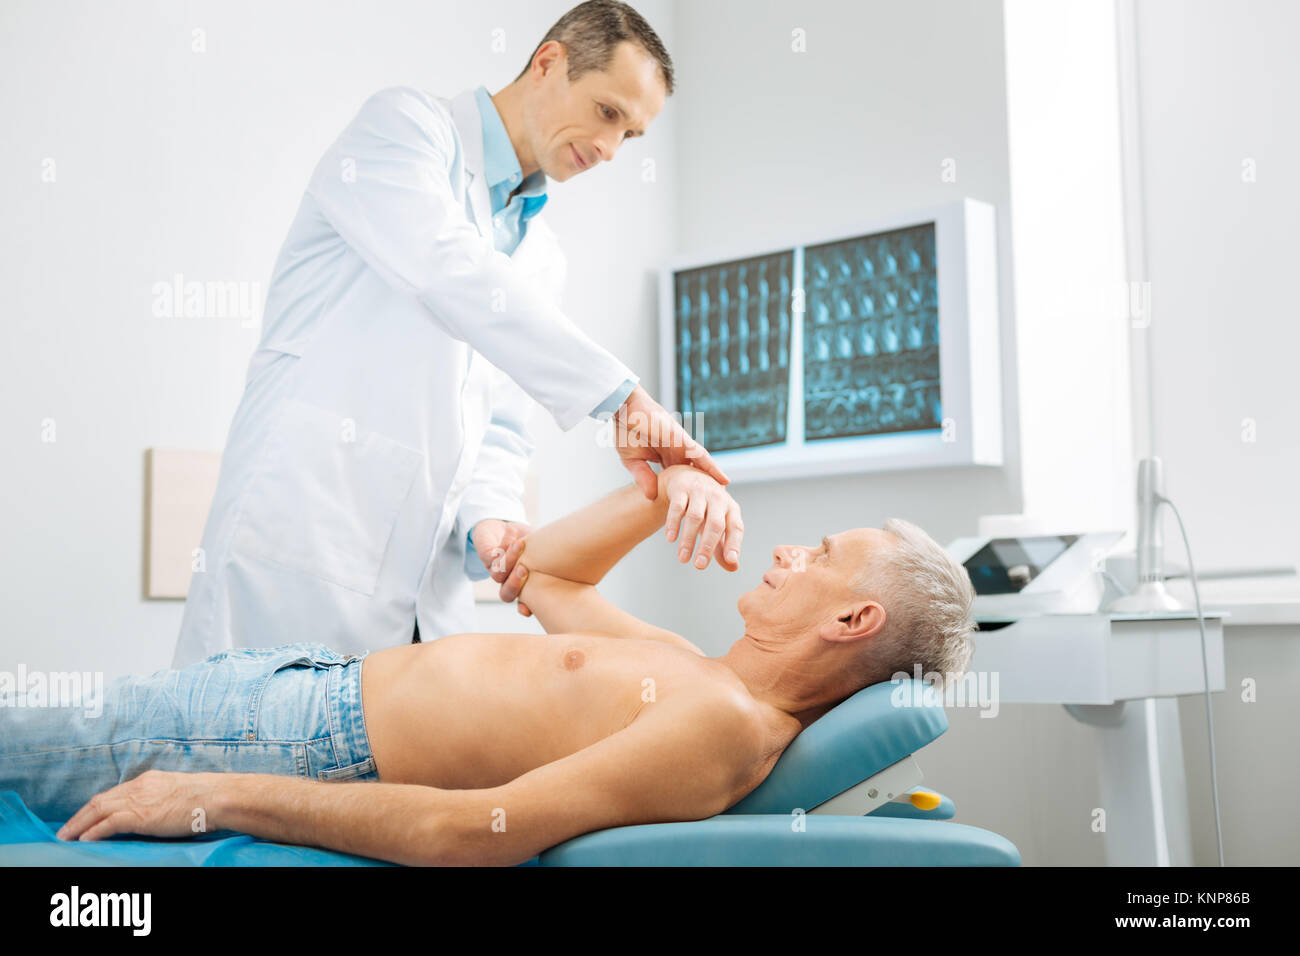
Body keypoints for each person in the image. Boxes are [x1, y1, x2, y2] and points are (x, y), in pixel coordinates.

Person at [3, 466, 976, 867]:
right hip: (289, 688)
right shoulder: (693, 670)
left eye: (819, 554)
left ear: (854, 617)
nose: (783, 553)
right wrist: (669, 486)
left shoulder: (724, 725)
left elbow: (467, 829)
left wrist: (218, 794)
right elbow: (546, 571)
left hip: (290, 737)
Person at [172, 1, 736, 667]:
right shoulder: (404, 131)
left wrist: (489, 519)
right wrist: (622, 399)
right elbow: (446, 271)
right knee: (233, 767)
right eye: (608, 112)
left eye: (631, 136)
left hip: (421, 594)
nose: (611, 150)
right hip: (305, 536)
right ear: (549, 61)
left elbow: (497, 427)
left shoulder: (541, 255)